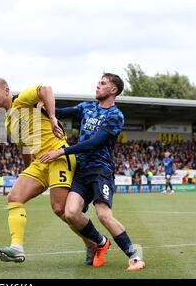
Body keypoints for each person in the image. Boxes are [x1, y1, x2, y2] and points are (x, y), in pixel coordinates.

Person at [40, 73, 146, 271]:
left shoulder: (115, 116)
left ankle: (135, 256)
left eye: (103, 83)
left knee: (104, 215)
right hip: (81, 171)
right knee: (70, 213)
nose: (98, 86)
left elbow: (94, 143)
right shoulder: (86, 107)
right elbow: (60, 112)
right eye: (98, 82)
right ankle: (100, 242)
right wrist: (39, 107)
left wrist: (62, 151)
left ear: (113, 90)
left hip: (100, 171)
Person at [0, 78, 92, 263]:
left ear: (6, 90)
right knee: (14, 197)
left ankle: (92, 243)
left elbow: (45, 89)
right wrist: (28, 172)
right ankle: (16, 248)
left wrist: (52, 117)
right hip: (39, 163)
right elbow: (25, 148)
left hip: (58, 155)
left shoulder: (22, 100)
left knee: (60, 209)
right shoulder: (9, 122)